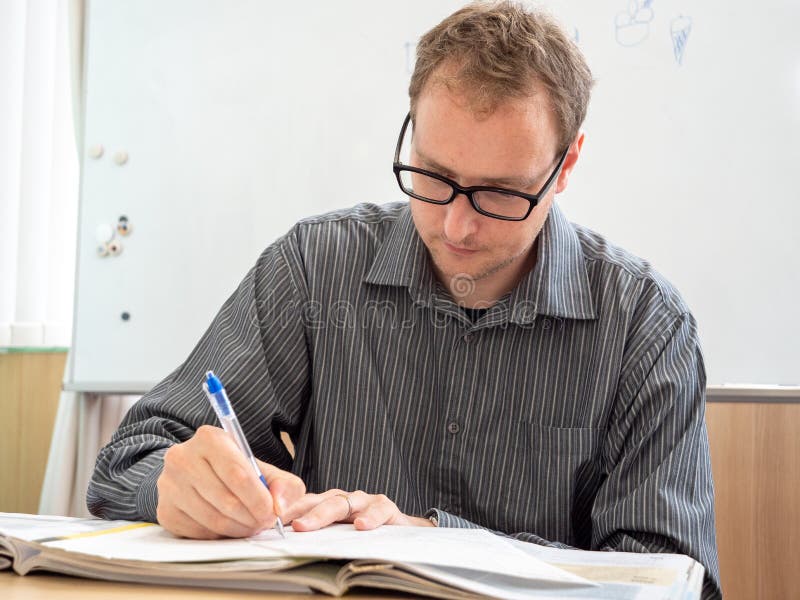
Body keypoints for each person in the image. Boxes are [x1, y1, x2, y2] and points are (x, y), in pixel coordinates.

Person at [88, 2, 721, 597]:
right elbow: (126, 462)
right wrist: (180, 485)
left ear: (566, 165)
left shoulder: (645, 325)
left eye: (500, 194)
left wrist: (441, 544)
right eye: (433, 176)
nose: (455, 227)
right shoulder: (316, 267)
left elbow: (667, 575)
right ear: (411, 131)